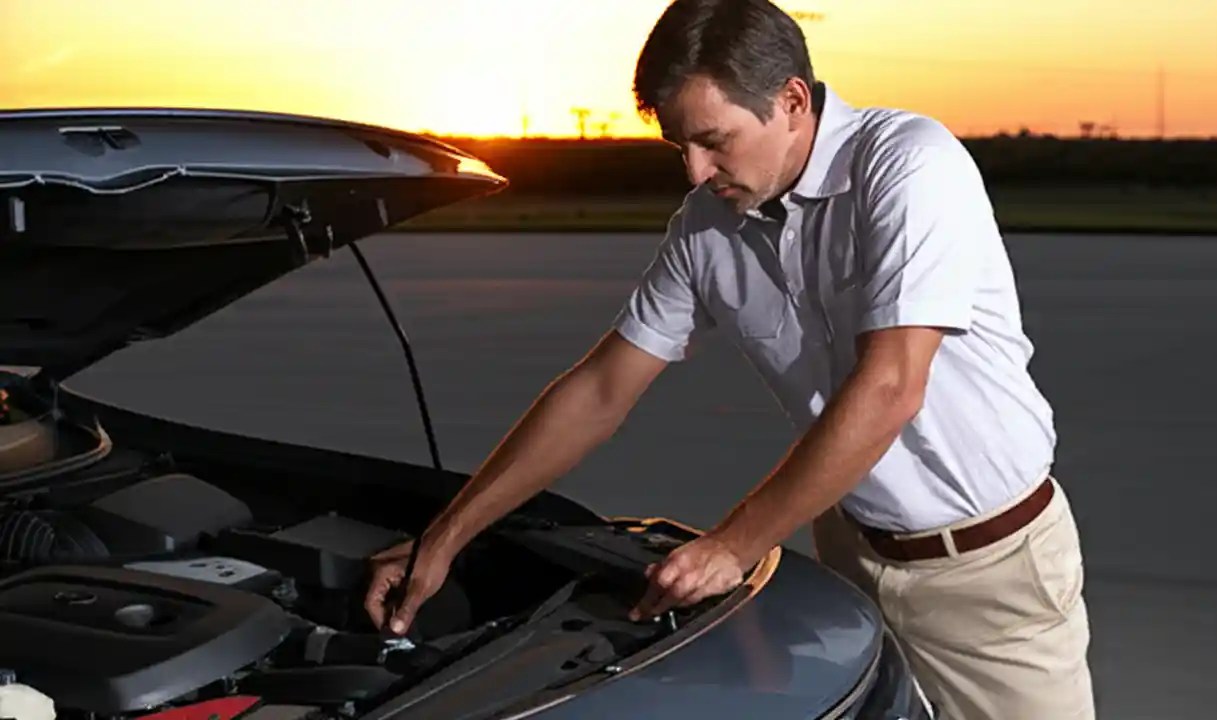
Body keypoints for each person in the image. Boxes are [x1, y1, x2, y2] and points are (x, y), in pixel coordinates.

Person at [364, 0, 1094, 717]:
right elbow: (600, 389)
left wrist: (733, 546)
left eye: (714, 140)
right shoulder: (705, 227)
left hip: (988, 569)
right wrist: (448, 536)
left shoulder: (908, 167)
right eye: (678, 146)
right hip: (849, 549)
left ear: (792, 100)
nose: (694, 170)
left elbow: (891, 387)